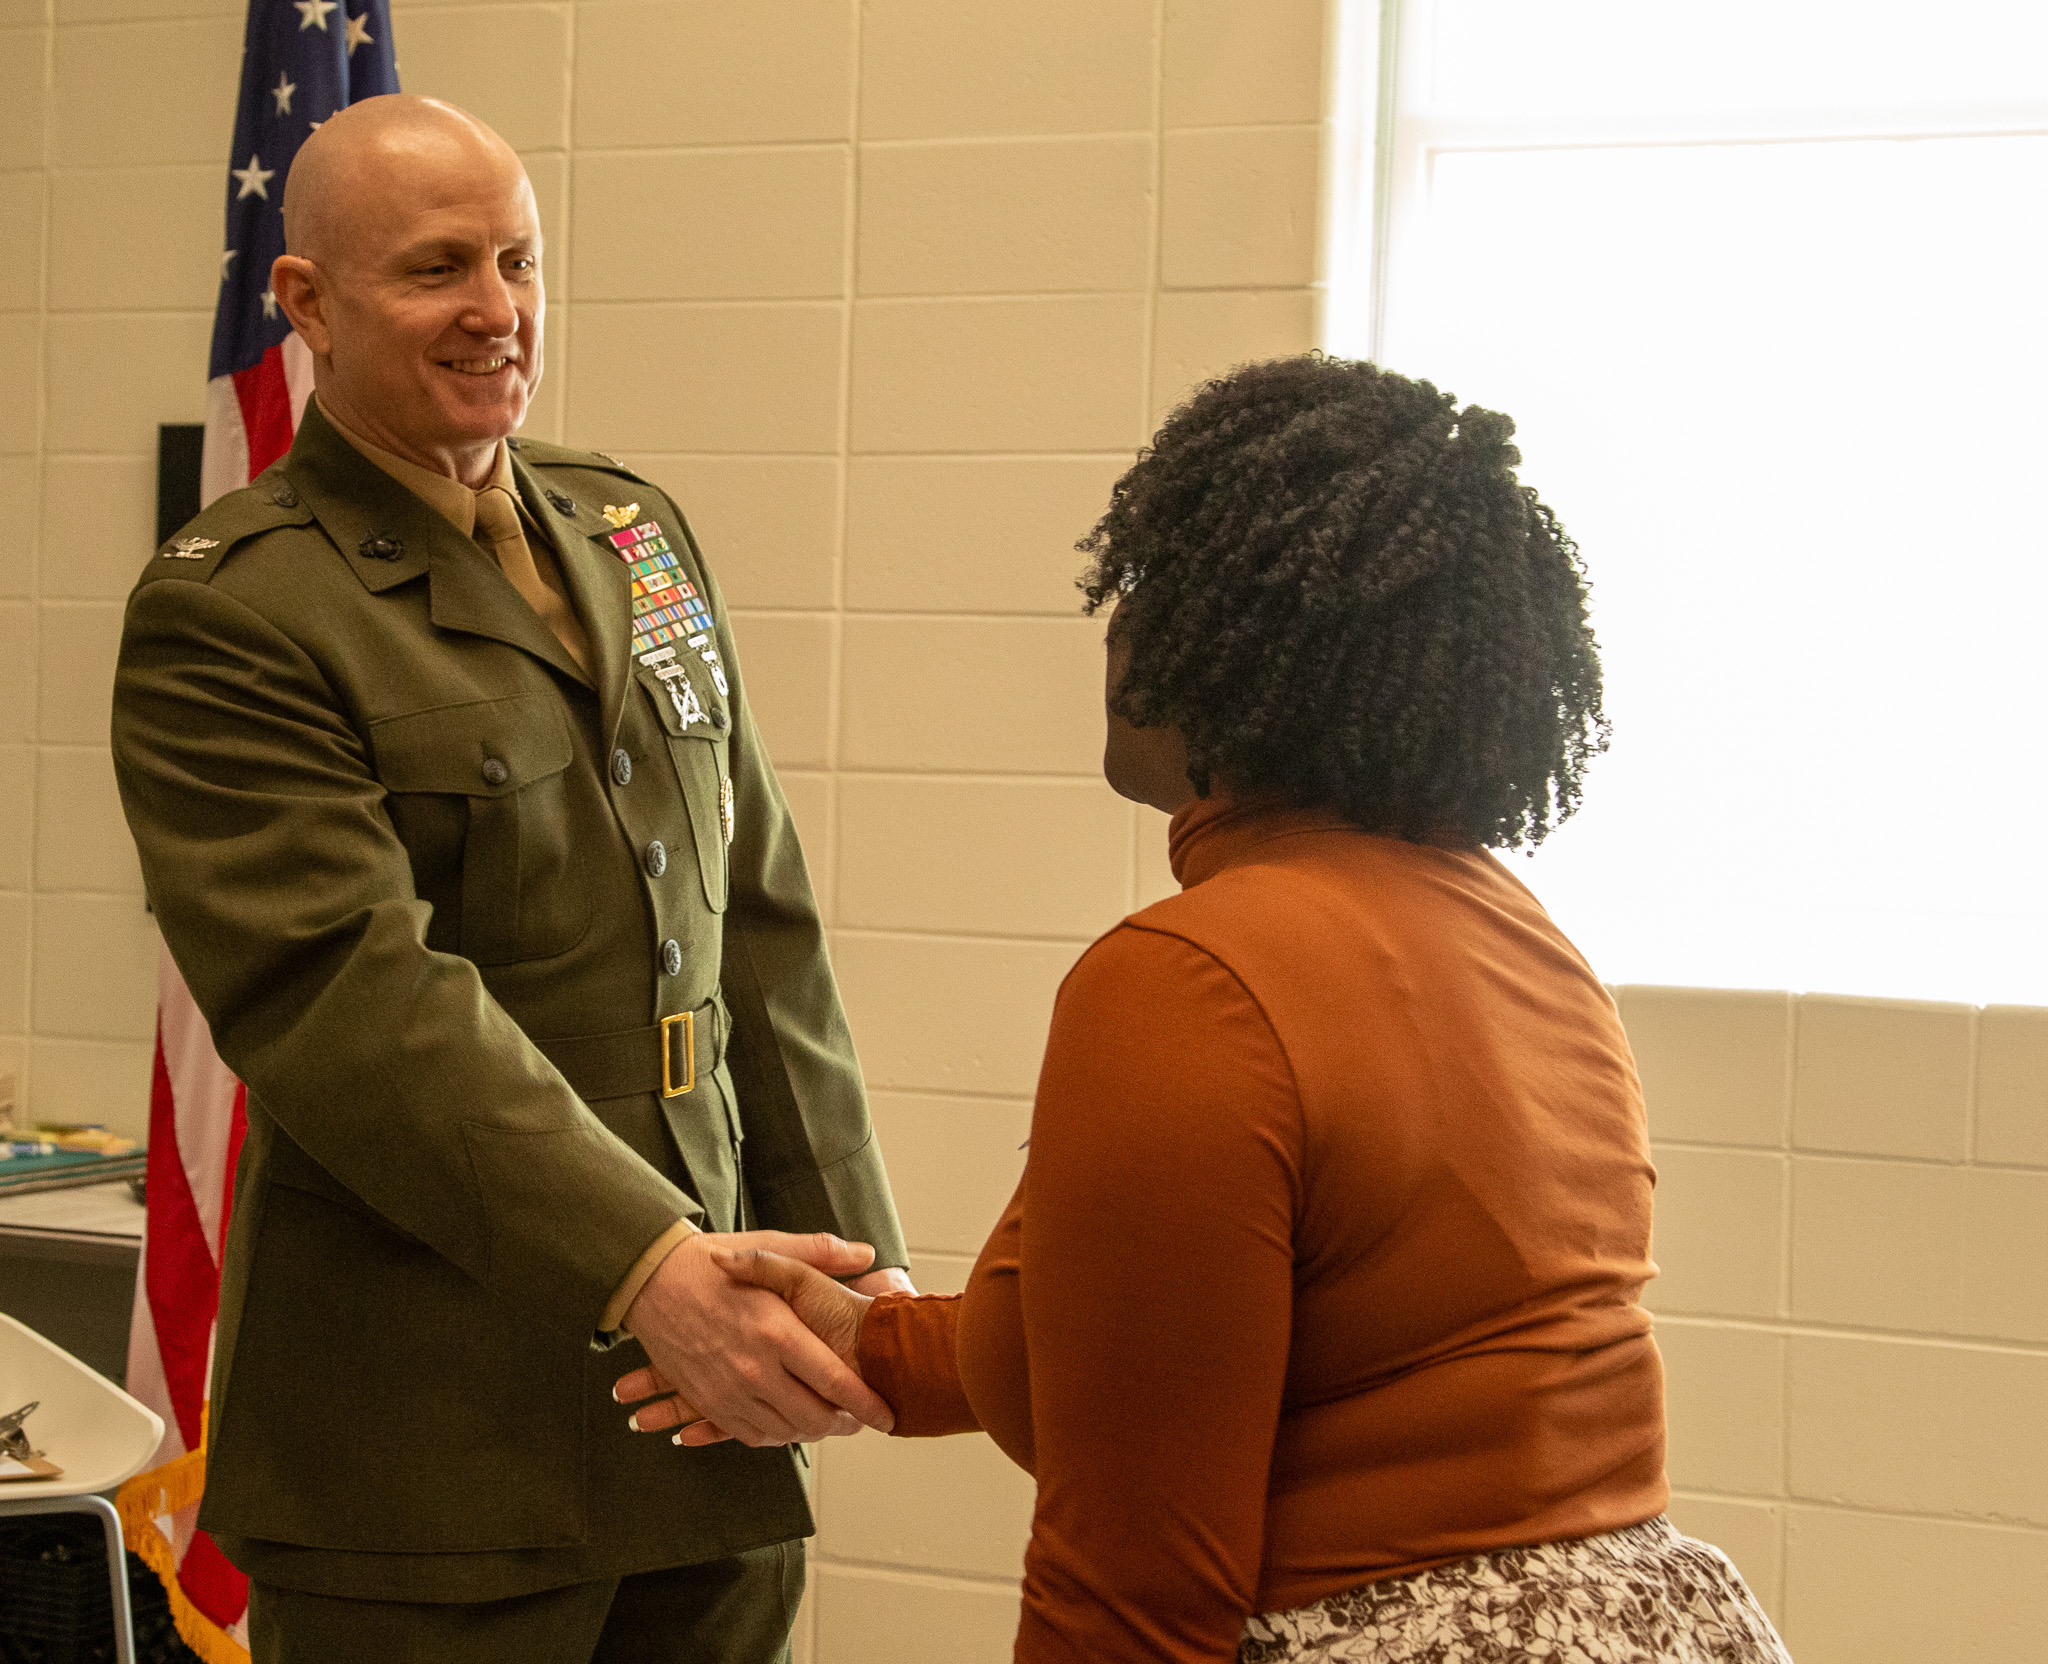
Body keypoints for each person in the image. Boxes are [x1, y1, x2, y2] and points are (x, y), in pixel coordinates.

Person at [620, 357, 1796, 1664]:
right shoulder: (1516, 937)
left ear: (1237, 640)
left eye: (1152, 581)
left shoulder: (1193, 982)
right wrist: (882, 1352)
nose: (1115, 621)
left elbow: (1135, 1595)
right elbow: (1219, 1336)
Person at [112, 94, 911, 1663]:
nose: (498, 312)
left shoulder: (633, 531)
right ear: (309, 306)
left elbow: (754, 932)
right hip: (433, 1450)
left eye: (520, 260)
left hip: (705, 1418)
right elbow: (352, 996)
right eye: (437, 271)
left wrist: (855, 1271)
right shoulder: (238, 612)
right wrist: (651, 1268)